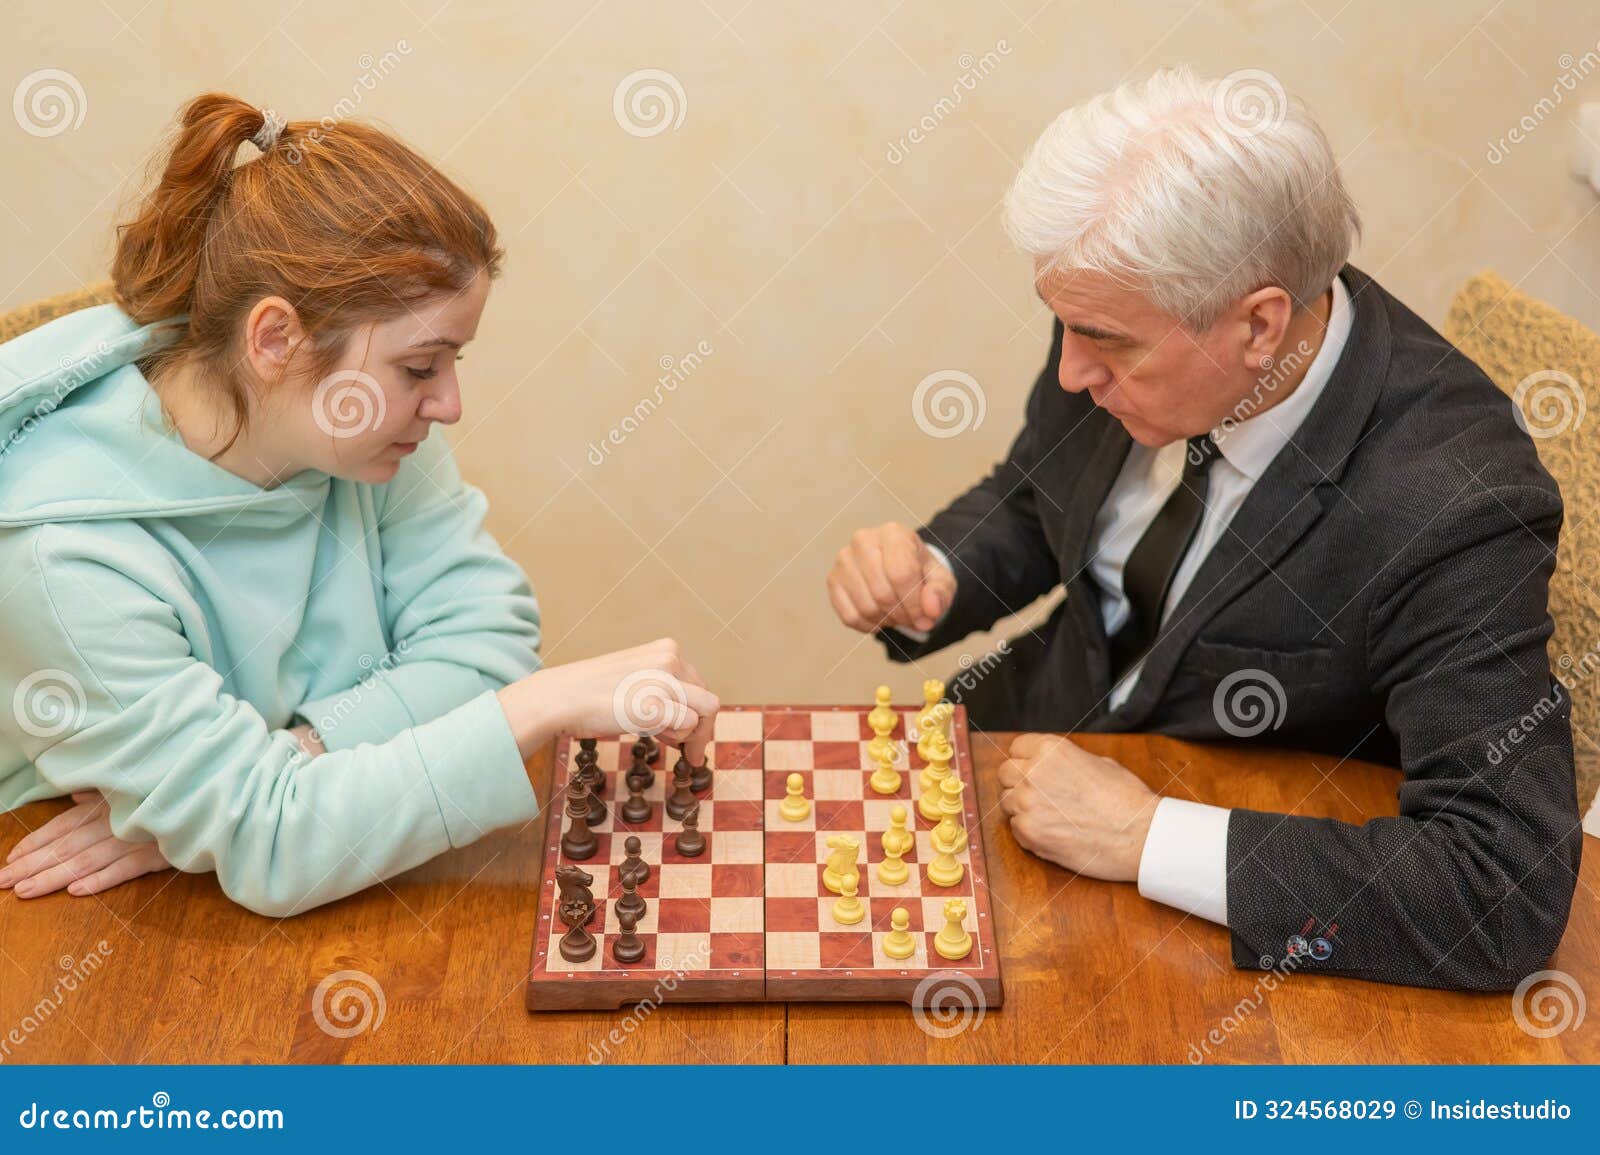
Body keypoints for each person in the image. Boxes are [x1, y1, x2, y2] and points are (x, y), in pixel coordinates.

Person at [827, 67, 1580, 989]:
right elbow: (1039, 496)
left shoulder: (1454, 499)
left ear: (1258, 325)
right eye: (1062, 326)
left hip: (1210, 909)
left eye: (1101, 339)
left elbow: (1499, 893)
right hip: (1005, 749)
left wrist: (1145, 835)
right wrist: (938, 570)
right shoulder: (1122, 306)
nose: (1071, 372)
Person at [0, 95, 717, 915]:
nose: (448, 402)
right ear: (275, 340)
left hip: (299, 878)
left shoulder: (353, 426)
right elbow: (279, 850)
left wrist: (283, 767)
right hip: (68, 907)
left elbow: (486, 644)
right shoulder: (59, 556)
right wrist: (538, 706)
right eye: (421, 366)